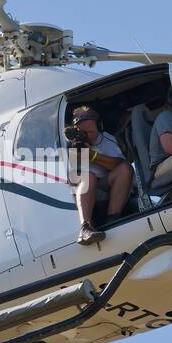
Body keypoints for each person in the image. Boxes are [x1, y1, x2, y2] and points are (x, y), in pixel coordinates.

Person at [67, 105, 131, 244]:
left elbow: (118, 164)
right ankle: (85, 227)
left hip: (104, 183)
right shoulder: (69, 144)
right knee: (88, 176)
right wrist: (75, 151)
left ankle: (113, 218)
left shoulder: (106, 139)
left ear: (99, 127)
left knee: (125, 168)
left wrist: (92, 155)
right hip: (80, 187)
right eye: (83, 132)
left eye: (91, 131)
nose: (88, 136)